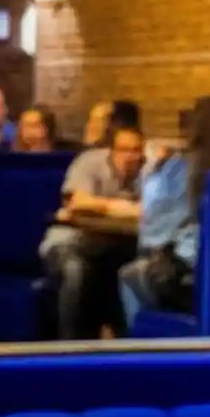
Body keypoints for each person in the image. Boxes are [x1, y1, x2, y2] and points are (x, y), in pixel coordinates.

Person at [118, 97, 210, 328]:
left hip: (195, 278)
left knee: (129, 275)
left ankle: (145, 349)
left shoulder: (186, 165)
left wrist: (153, 170)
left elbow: (155, 230)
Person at [40, 125, 146, 340]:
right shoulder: (90, 162)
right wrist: (120, 206)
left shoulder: (147, 170)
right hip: (69, 241)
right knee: (75, 271)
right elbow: (77, 202)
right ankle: (68, 350)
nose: (130, 157)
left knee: (133, 271)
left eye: (136, 150)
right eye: (124, 150)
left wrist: (100, 205)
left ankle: (126, 349)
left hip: (116, 246)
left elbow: (152, 210)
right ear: (111, 151)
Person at [13, 105, 79, 153]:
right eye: (24, 126)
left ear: (45, 129)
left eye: (33, 126)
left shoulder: (66, 153)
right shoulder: (12, 156)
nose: (27, 131)